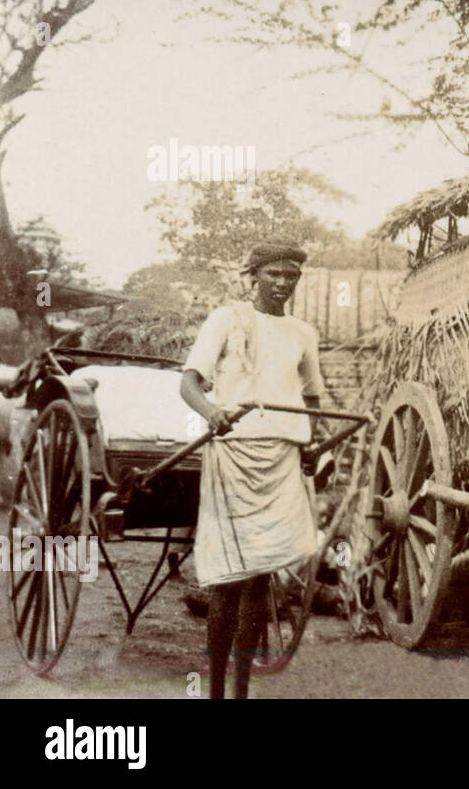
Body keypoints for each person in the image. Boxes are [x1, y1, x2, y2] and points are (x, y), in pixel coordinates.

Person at [180, 241, 325, 699]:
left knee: (261, 576)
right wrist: (212, 412)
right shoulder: (228, 319)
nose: (283, 283)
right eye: (274, 275)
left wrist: (312, 441)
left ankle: (242, 694)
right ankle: (217, 693)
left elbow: (313, 397)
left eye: (291, 276)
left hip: (280, 456)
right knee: (228, 578)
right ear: (254, 275)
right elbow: (189, 383)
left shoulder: (303, 332)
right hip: (234, 451)